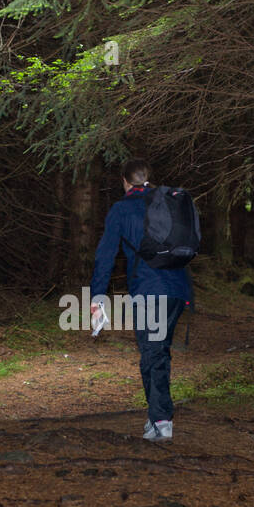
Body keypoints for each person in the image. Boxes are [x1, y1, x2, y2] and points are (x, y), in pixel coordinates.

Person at [89, 158, 192, 441]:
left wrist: (97, 295)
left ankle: (161, 420)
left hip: (149, 292)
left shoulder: (122, 209)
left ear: (125, 181)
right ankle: (157, 417)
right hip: (178, 290)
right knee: (157, 351)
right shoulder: (169, 202)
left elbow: (106, 255)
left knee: (153, 354)